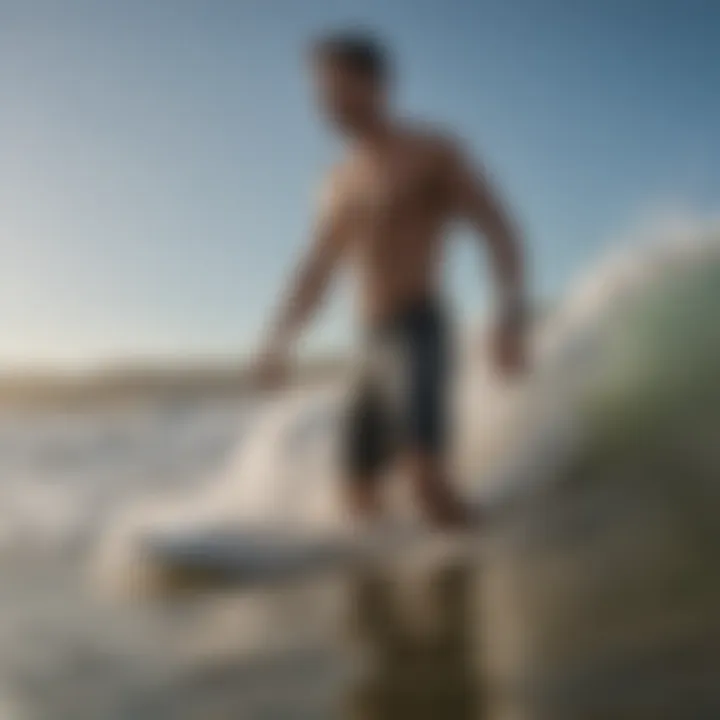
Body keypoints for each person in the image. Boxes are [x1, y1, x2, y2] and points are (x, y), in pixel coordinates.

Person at [252, 31, 528, 528]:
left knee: (424, 477)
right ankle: (390, 596)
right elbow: (317, 269)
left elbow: (497, 226)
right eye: (319, 93)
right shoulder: (336, 181)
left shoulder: (430, 151)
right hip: (369, 344)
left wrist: (510, 315)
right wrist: (279, 339)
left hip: (419, 327)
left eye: (334, 89)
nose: (324, 105)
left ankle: (483, 560)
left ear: (374, 84)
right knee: (357, 497)